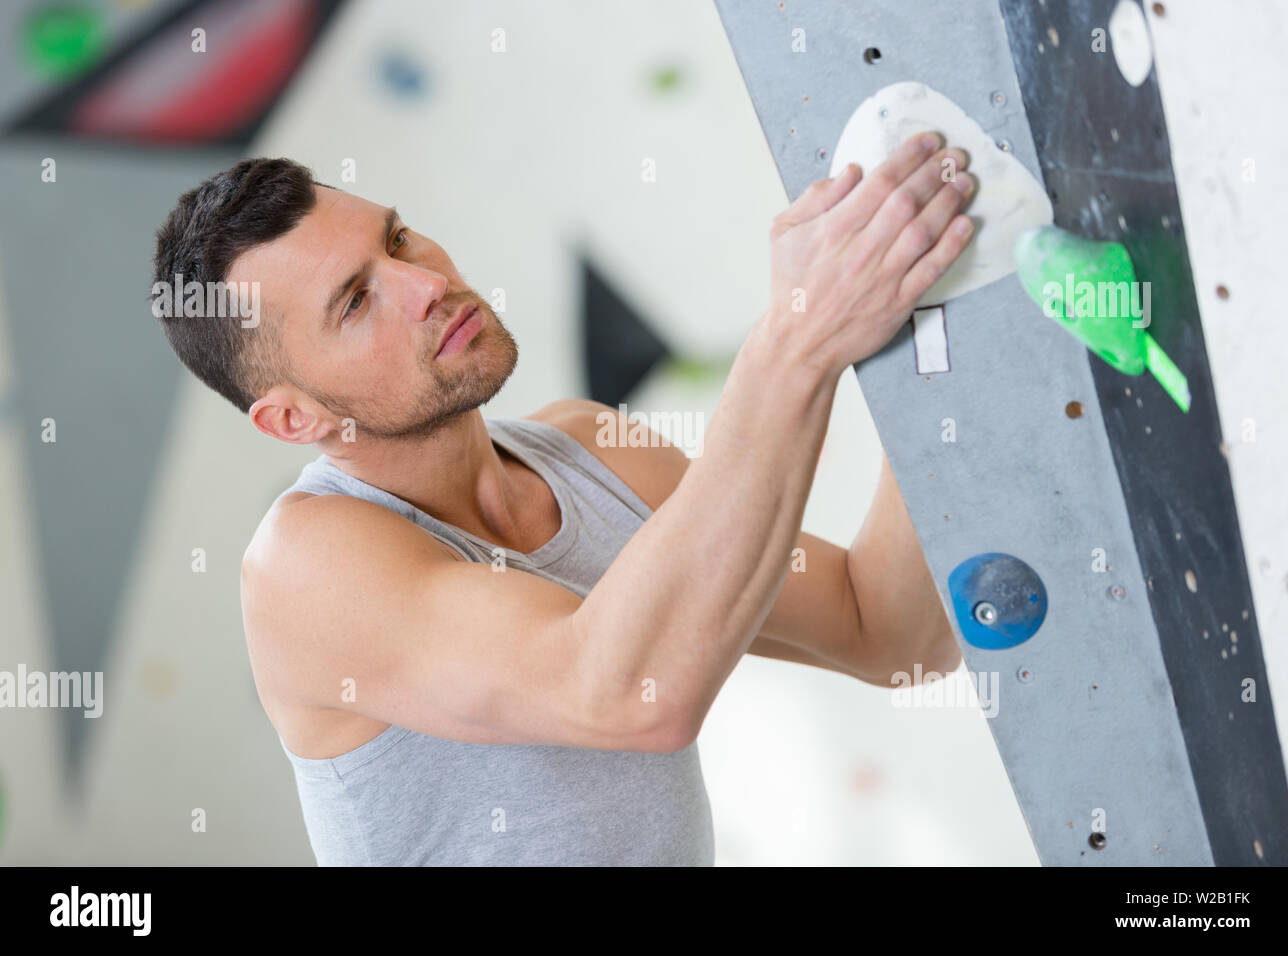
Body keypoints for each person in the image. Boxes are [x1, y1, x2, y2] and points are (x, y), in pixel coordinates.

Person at [150, 131, 972, 865]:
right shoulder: (305, 567)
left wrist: (948, 314)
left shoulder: (591, 452)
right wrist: (799, 340)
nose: (423, 282)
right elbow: (622, 695)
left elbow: (889, 633)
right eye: (358, 300)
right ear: (296, 418)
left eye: (398, 238)